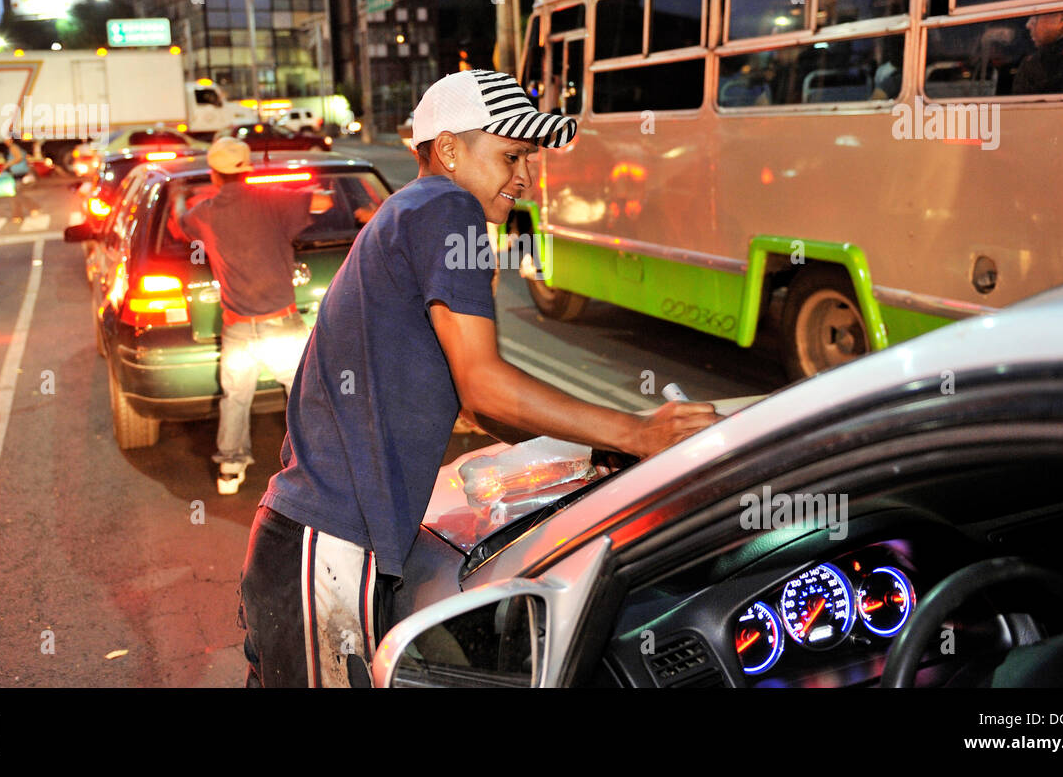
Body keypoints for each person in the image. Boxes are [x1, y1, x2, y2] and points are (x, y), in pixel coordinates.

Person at [237, 69, 719, 688]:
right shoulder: (447, 205)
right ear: (448, 150)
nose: (524, 177)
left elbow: (484, 409)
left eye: (529, 159)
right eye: (511, 155)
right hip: (329, 542)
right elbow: (484, 385)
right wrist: (638, 434)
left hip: (313, 539)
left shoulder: (407, 212)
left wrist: (592, 452)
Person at [176, 137, 332, 495]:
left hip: (237, 329)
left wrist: (187, 201)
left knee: (235, 397)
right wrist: (301, 191)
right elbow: (322, 202)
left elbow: (181, 223)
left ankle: (230, 468)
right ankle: (309, 465)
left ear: (214, 174)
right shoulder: (272, 198)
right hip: (282, 322)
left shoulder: (205, 213)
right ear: (247, 170)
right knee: (299, 394)